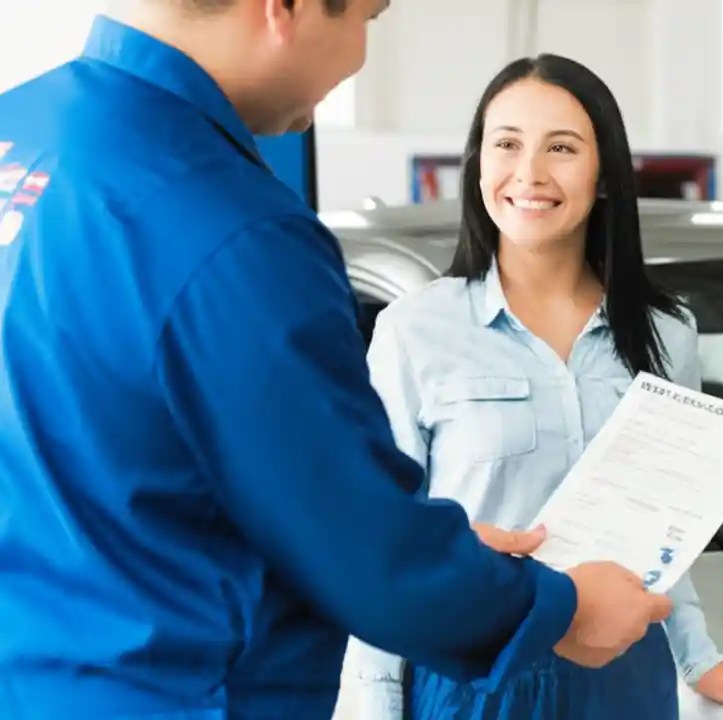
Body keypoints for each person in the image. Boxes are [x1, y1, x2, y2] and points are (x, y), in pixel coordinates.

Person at [0, 4, 672, 718]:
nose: (357, 58)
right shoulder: (233, 226)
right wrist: (560, 608)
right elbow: (368, 555)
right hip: (176, 690)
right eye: (367, 18)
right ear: (283, 9)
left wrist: (406, 534)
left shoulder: (24, 133)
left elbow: (127, 462)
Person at [341, 54, 723, 720]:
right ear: (479, 163)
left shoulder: (665, 332)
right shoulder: (417, 330)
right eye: (506, 144)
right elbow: (383, 544)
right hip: (472, 678)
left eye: (561, 148)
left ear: (602, 176)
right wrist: (378, 707)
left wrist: (698, 659)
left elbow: (662, 533)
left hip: (624, 680)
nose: (529, 173)